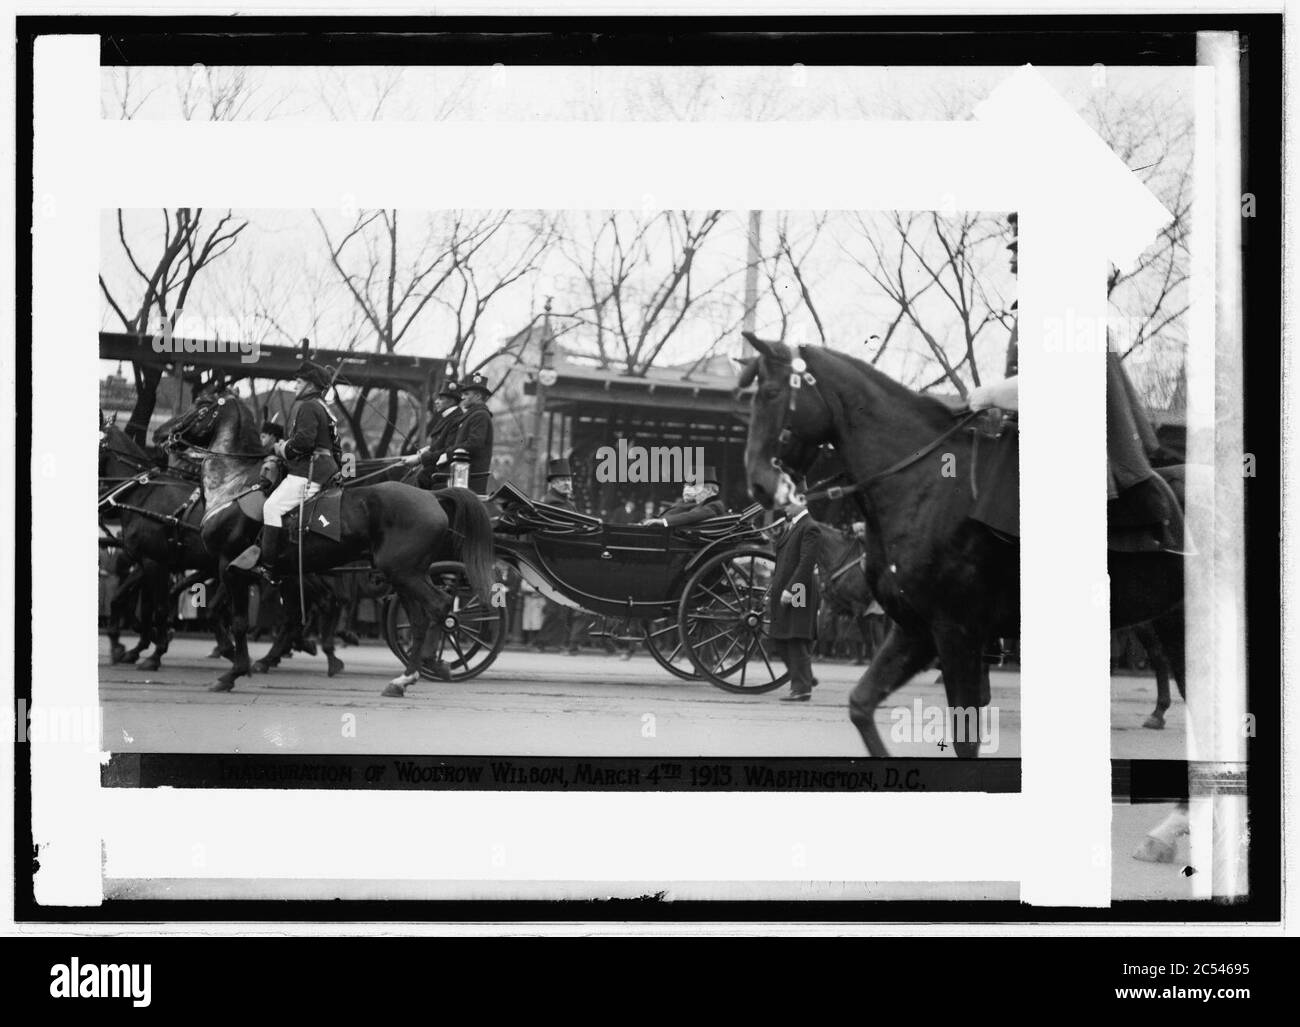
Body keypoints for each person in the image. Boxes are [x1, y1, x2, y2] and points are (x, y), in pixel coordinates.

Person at [232, 359, 340, 574]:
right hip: (324, 469)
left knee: (271, 507)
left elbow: (304, 443)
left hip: (309, 472)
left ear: (310, 385)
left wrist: (282, 448)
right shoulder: (324, 409)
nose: (295, 386)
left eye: (299, 382)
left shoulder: (309, 407)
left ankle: (268, 566)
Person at [769, 497, 822, 702]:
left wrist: (792, 589)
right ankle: (804, 677)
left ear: (802, 501)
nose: (785, 506)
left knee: (796, 634)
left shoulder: (810, 528)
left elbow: (806, 563)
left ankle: (801, 688)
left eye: (789, 502)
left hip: (800, 590)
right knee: (781, 635)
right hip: (790, 588)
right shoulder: (794, 526)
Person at [405, 379, 464, 488]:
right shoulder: (448, 417)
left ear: (451, 401)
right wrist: (427, 449)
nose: (436, 401)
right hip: (436, 465)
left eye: (441, 399)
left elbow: (448, 449)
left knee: (419, 477)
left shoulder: (456, 420)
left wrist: (420, 459)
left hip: (443, 470)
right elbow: (439, 443)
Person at [448, 372, 495, 494]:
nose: (462, 397)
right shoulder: (474, 414)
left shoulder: (480, 415)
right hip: (463, 475)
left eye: (466, 394)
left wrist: (447, 453)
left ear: (478, 396)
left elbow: (474, 443)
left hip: (470, 477)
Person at [642, 466, 726, 527]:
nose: (686, 489)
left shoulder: (715, 505)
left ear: (709, 490)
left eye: (692, 485)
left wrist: (663, 521)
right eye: (685, 486)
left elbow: (693, 515)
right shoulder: (686, 503)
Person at [256, 419, 285, 494]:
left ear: (272, 437)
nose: (260, 439)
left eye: (263, 437)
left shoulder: (276, 459)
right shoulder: (267, 455)